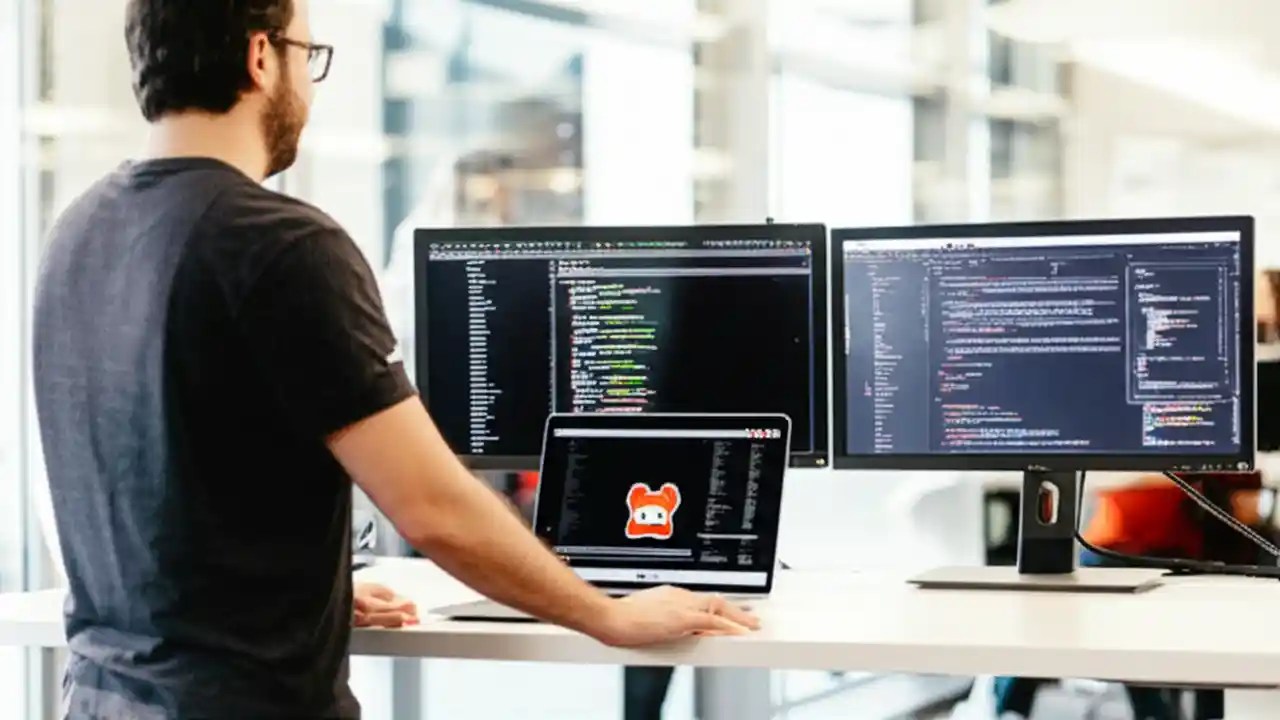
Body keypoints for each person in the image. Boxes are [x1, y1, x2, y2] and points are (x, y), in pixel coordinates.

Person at [31, 1, 759, 717]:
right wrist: (609, 616)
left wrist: (315, 597)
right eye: (306, 56)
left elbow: (152, 492)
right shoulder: (279, 245)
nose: (310, 87)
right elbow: (432, 507)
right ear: (260, 57)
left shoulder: (77, 232)